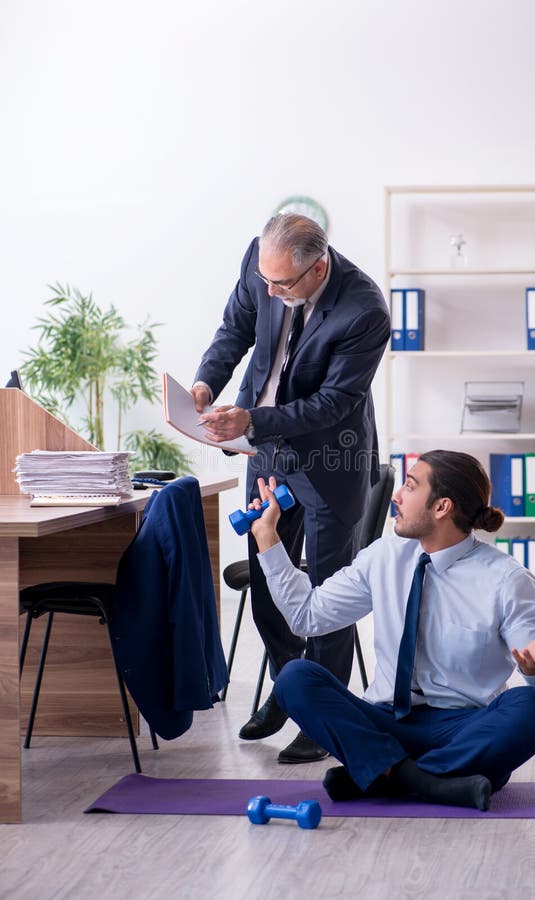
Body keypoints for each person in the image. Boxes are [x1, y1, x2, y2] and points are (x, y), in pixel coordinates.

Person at [250, 450, 535, 810]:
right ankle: (433, 782)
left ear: (441, 507)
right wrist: (267, 538)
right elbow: (307, 616)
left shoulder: (507, 579)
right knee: (296, 679)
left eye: (410, 485)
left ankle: (379, 772)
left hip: (462, 729)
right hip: (385, 720)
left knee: (533, 707)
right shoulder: (384, 557)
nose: (395, 495)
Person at [191, 213, 390, 762]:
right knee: (267, 581)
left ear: (318, 267)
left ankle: (321, 721)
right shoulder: (263, 265)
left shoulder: (364, 310)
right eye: (267, 281)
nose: (272, 292)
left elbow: (334, 404)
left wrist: (251, 420)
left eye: (283, 285)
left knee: (327, 594)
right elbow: (234, 329)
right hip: (267, 452)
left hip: (330, 458)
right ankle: (290, 689)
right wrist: (208, 381)